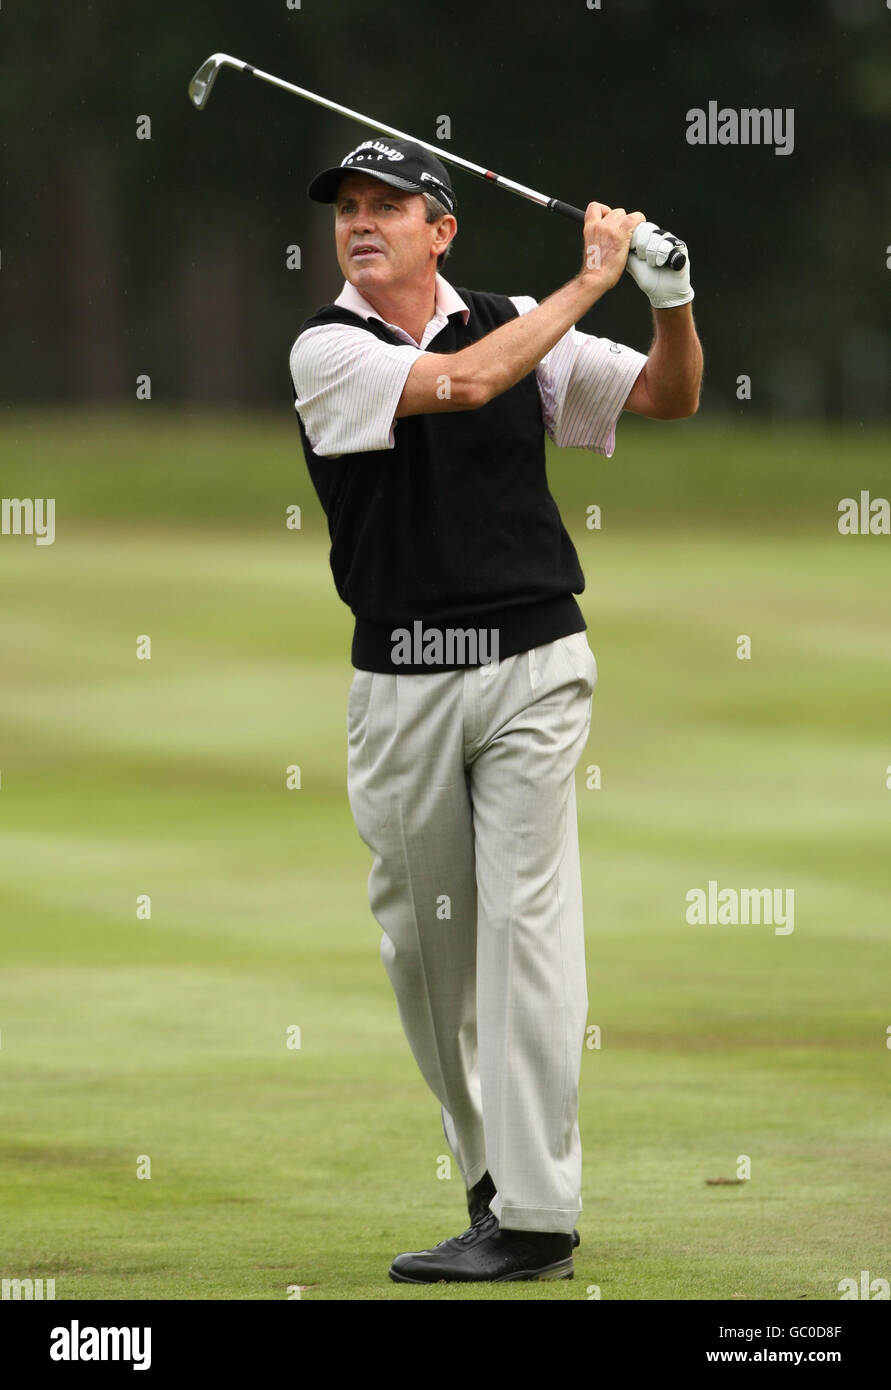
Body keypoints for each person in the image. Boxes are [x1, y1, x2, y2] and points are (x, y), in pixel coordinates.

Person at [289, 137, 703, 1283]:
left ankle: (534, 1215)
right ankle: (488, 1176)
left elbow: (669, 397)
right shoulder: (327, 348)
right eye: (349, 209)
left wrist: (669, 301)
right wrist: (591, 281)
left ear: (444, 229)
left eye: (390, 206)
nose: (362, 223)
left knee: (527, 933)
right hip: (402, 679)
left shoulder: (517, 316)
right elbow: (466, 386)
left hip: (535, 659)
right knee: (429, 956)